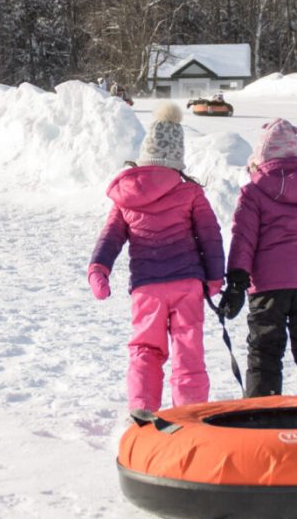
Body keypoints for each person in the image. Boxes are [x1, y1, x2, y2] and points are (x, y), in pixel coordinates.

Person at [87, 102, 224, 413]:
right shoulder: (190, 193)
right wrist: (215, 277)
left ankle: (142, 415)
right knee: (188, 352)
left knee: (145, 350)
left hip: (147, 289)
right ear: (177, 158)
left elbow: (110, 237)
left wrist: (99, 269)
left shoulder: (127, 196)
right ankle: (190, 418)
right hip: (187, 286)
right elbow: (210, 237)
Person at [220, 118, 297, 398]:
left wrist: (237, 280)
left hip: (268, 287)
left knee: (265, 348)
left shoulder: (253, 192)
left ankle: (263, 406)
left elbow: (244, 238)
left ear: (260, 159)